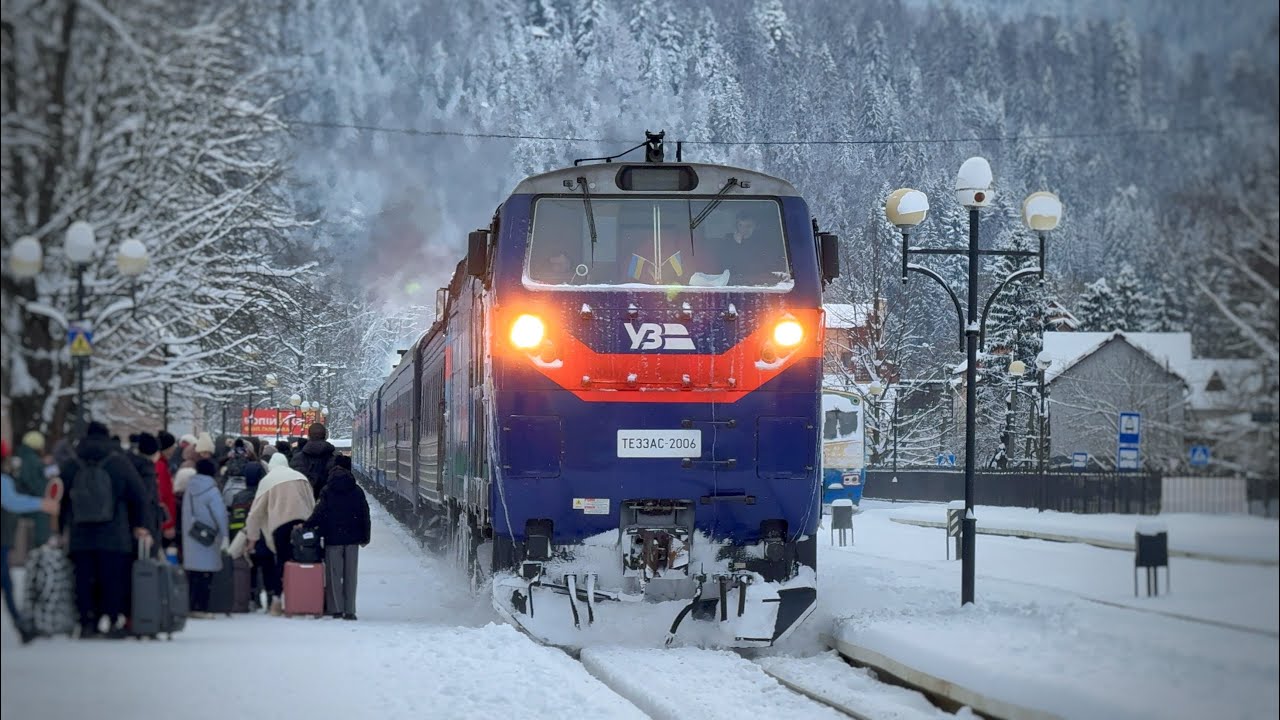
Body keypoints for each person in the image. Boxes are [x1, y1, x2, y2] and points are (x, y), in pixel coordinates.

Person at [58, 421, 151, 638]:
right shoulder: (118, 461)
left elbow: (61, 498)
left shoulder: (73, 461)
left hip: (81, 532)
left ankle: (86, 622)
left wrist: (61, 528)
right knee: (112, 577)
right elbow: (138, 495)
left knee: (84, 577)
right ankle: (112, 619)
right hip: (114, 532)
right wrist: (140, 524)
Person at [2, 439, 61, 644]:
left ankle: (21, 625)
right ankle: (21, 626)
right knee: (6, 584)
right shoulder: (3, 480)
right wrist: (42, 504)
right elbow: (11, 501)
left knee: (6, 583)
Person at [241, 453, 315, 616]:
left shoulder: (268, 480)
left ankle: (277, 602)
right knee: (304, 561)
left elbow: (255, 514)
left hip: (281, 527)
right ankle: (304, 598)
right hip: (303, 526)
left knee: (282, 563)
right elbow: (311, 502)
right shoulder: (300, 477)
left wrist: (252, 538)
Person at [305, 456, 370, 620]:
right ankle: (350, 610)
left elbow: (319, 512)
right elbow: (365, 515)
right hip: (353, 539)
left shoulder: (327, 490)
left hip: (332, 538)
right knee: (351, 576)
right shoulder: (357, 490)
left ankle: (336, 608)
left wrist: (307, 525)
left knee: (334, 575)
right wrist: (365, 537)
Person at [181, 458, 228, 619]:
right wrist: (225, 535)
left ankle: (190, 606)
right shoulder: (212, 490)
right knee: (205, 575)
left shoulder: (189, 488)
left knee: (193, 575)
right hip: (208, 537)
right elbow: (220, 515)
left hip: (191, 535)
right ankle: (201, 608)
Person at [12, 431, 53, 551]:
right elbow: (35, 483)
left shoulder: (23, 458)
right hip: (35, 507)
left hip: (23, 505)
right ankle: (39, 549)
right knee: (37, 541)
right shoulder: (32, 460)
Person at [127, 433, 162, 545]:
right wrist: (144, 526)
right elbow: (145, 499)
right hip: (145, 526)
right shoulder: (147, 470)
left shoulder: (129, 464)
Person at [291, 423, 336, 500]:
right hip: (328, 504)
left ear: (309, 435)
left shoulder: (297, 459)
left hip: (304, 503)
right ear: (325, 436)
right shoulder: (336, 460)